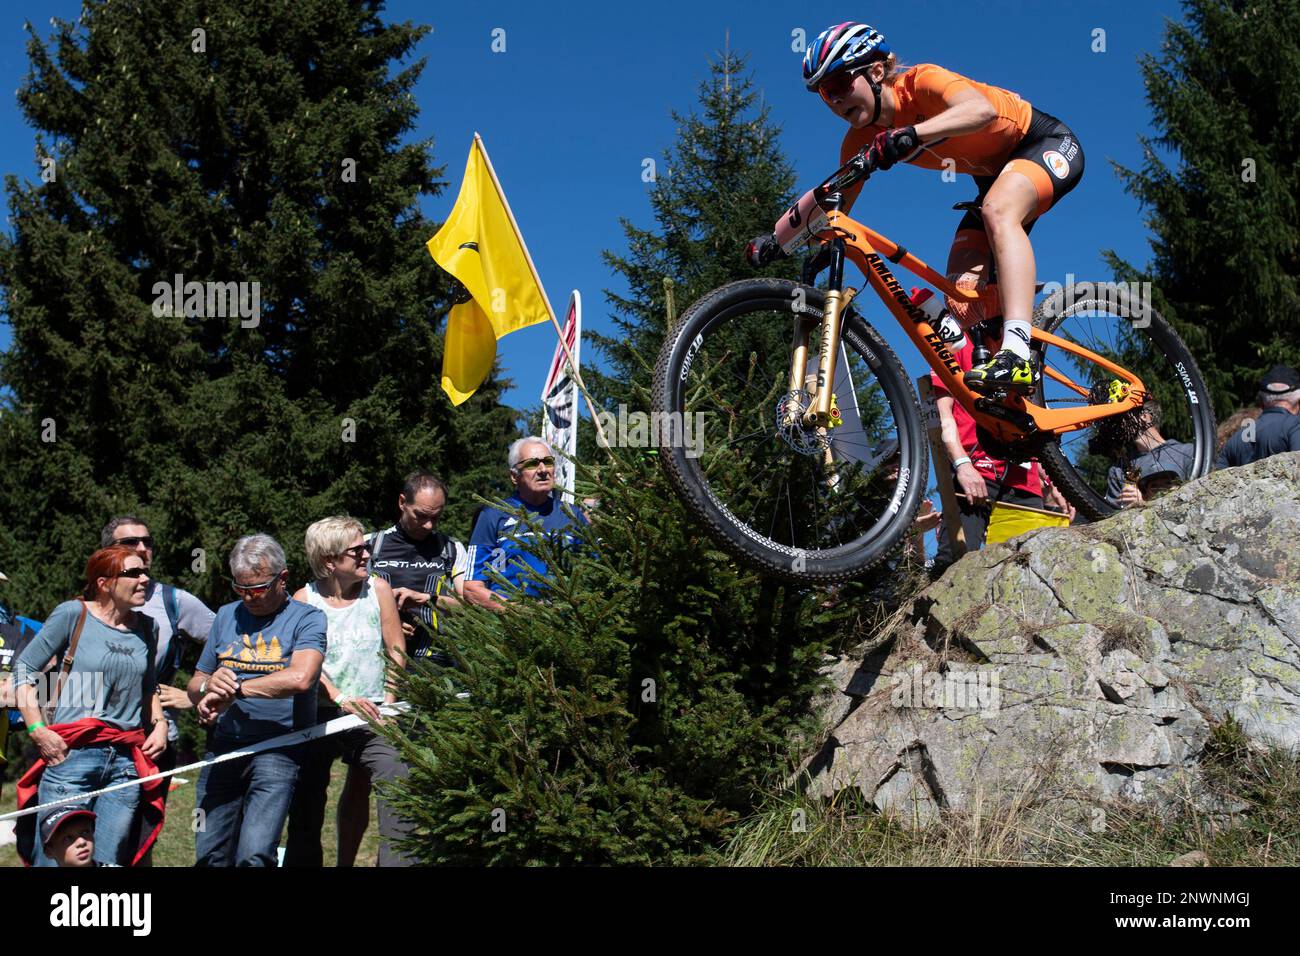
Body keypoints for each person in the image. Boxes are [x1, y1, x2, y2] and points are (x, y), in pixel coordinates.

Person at [801, 22, 1084, 394]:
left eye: (838, 84)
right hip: (993, 183)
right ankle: (1012, 401)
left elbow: (979, 111)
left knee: (998, 209)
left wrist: (912, 134)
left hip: (1044, 143)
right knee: (962, 299)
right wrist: (779, 236)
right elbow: (836, 204)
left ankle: (1018, 350)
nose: (835, 101)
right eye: (825, 93)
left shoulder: (923, 82)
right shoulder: (859, 139)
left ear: (875, 71)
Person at [12, 546, 168, 867]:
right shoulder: (73, 614)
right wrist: (37, 730)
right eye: (133, 573)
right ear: (104, 582)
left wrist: (160, 722)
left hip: (125, 764)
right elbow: (23, 670)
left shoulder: (147, 628)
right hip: (70, 758)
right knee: (56, 863)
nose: (145, 579)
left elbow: (147, 686)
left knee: (108, 864)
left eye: (145, 572)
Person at [187, 534, 326, 867]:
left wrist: (236, 689)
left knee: (255, 854)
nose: (249, 598)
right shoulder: (225, 615)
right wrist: (207, 691)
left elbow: (301, 677)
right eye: (241, 589)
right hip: (221, 748)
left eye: (258, 588)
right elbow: (194, 684)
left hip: (279, 749)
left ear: (283, 579)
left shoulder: (308, 618)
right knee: (209, 853)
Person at [284, 516, 412, 868]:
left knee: (396, 776)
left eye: (366, 546)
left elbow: (396, 650)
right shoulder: (304, 600)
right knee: (307, 793)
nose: (367, 555)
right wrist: (340, 698)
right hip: (321, 713)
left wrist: (387, 705)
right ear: (329, 561)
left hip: (374, 711)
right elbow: (305, 667)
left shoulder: (379, 590)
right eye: (356, 550)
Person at [100, 515, 215, 863]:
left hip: (153, 737)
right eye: (130, 542)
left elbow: (233, 645)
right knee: (91, 833)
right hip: (96, 735)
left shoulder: (174, 602)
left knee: (138, 835)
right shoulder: (86, 603)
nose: (141, 548)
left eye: (147, 542)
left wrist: (197, 693)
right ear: (107, 552)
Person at [928, 318, 1073, 568]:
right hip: (975, 474)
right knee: (952, 562)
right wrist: (962, 465)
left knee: (1026, 569)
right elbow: (944, 420)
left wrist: (1054, 482)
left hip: (1023, 481)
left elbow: (1033, 421)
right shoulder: (956, 344)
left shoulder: (1020, 347)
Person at [465, 437, 590, 610]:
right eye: (532, 464)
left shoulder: (572, 515)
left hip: (567, 627)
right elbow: (472, 588)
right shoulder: (492, 516)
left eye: (548, 462)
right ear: (514, 476)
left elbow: (594, 573)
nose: (543, 470)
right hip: (510, 627)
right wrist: (520, 612)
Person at [366, 471, 467, 667]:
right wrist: (386, 626)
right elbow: (344, 606)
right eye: (420, 516)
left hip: (438, 668)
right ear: (402, 502)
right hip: (380, 664)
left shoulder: (452, 549)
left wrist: (426, 599)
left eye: (436, 517)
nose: (428, 525)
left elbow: (469, 608)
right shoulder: (369, 547)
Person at [1103, 399, 1196, 508]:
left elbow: (1199, 499)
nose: (1118, 424)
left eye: (1122, 416)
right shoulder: (1118, 471)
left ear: (1145, 416)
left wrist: (1144, 503)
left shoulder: (1188, 452)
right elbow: (1110, 517)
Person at [1216, 365, 1300, 468]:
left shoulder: (1237, 437)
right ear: (1298, 402)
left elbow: (1216, 476)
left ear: (1261, 402)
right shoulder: (1296, 426)